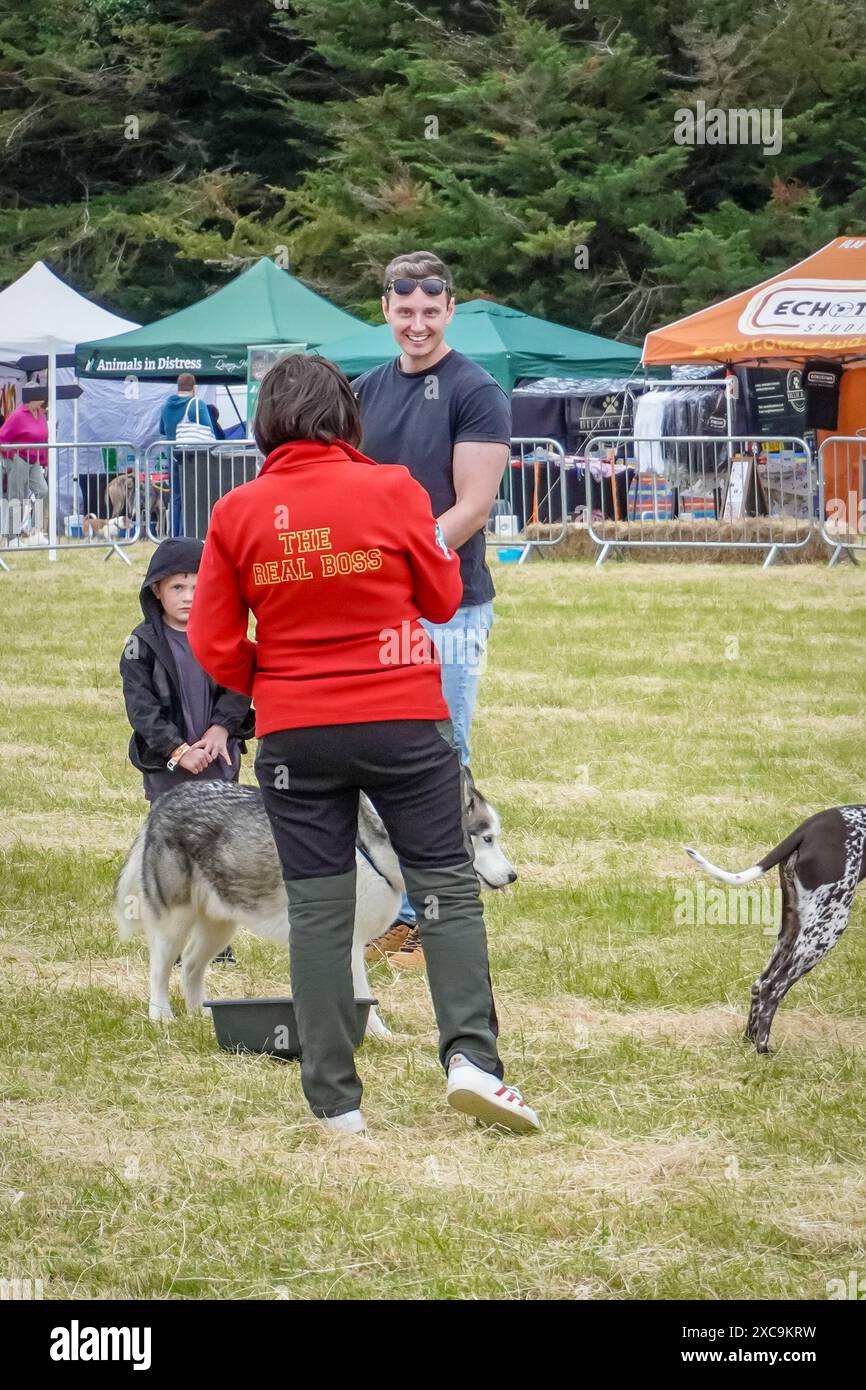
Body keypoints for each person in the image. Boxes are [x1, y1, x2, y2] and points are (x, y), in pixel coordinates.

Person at [187, 353, 539, 1137]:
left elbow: (212, 640)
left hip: (294, 730)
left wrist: (274, 674)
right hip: (402, 718)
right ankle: (474, 1062)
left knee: (317, 911)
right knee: (445, 892)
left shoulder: (238, 510)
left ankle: (335, 1103)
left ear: (266, 423)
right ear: (350, 419)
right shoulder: (394, 489)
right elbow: (444, 595)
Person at [353, 251, 511, 967]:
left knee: (442, 756)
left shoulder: (475, 390)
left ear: (449, 311)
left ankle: (430, 915)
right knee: (373, 749)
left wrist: (402, 563)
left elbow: (472, 505)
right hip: (371, 605)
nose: (416, 325)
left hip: (449, 609)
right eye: (404, 311)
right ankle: (387, 902)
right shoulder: (363, 392)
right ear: (385, 309)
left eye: (430, 312)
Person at [119, 537, 254, 963]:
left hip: (218, 761)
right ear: (156, 589)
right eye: (178, 587)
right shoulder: (141, 647)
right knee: (174, 853)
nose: (189, 597)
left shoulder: (224, 637)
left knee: (220, 851)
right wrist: (177, 750)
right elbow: (142, 711)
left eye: (198, 586)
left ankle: (217, 941)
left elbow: (239, 685)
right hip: (169, 768)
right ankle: (171, 936)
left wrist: (219, 730)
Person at [158, 374, 213, 536]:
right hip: (191, 457)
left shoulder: (166, 406)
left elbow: (162, 429)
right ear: (194, 388)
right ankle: (187, 534)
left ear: (178, 388)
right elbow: (209, 428)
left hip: (172, 455)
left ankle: (174, 535)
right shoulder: (197, 404)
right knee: (191, 496)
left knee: (175, 498)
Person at [0, 388, 49, 539]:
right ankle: (12, 537)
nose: (45, 400)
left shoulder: (40, 413)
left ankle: (36, 531)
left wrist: (44, 461)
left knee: (43, 491)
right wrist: (13, 456)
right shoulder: (17, 415)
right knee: (17, 497)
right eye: (42, 397)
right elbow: (2, 438)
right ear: (33, 399)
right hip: (18, 459)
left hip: (34, 461)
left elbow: (42, 439)